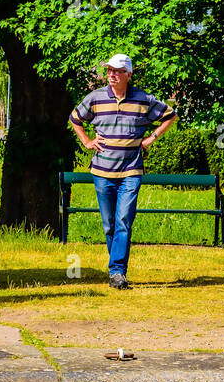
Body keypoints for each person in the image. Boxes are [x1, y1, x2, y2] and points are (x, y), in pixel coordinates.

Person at [69, 53, 178, 289]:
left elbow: (170, 115)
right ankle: (115, 267)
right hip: (102, 171)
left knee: (123, 221)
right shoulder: (96, 97)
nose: (111, 74)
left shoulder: (143, 99)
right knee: (109, 223)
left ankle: (118, 271)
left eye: (117, 71)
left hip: (131, 170)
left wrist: (152, 137)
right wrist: (87, 141)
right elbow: (75, 118)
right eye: (109, 70)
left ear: (128, 74)